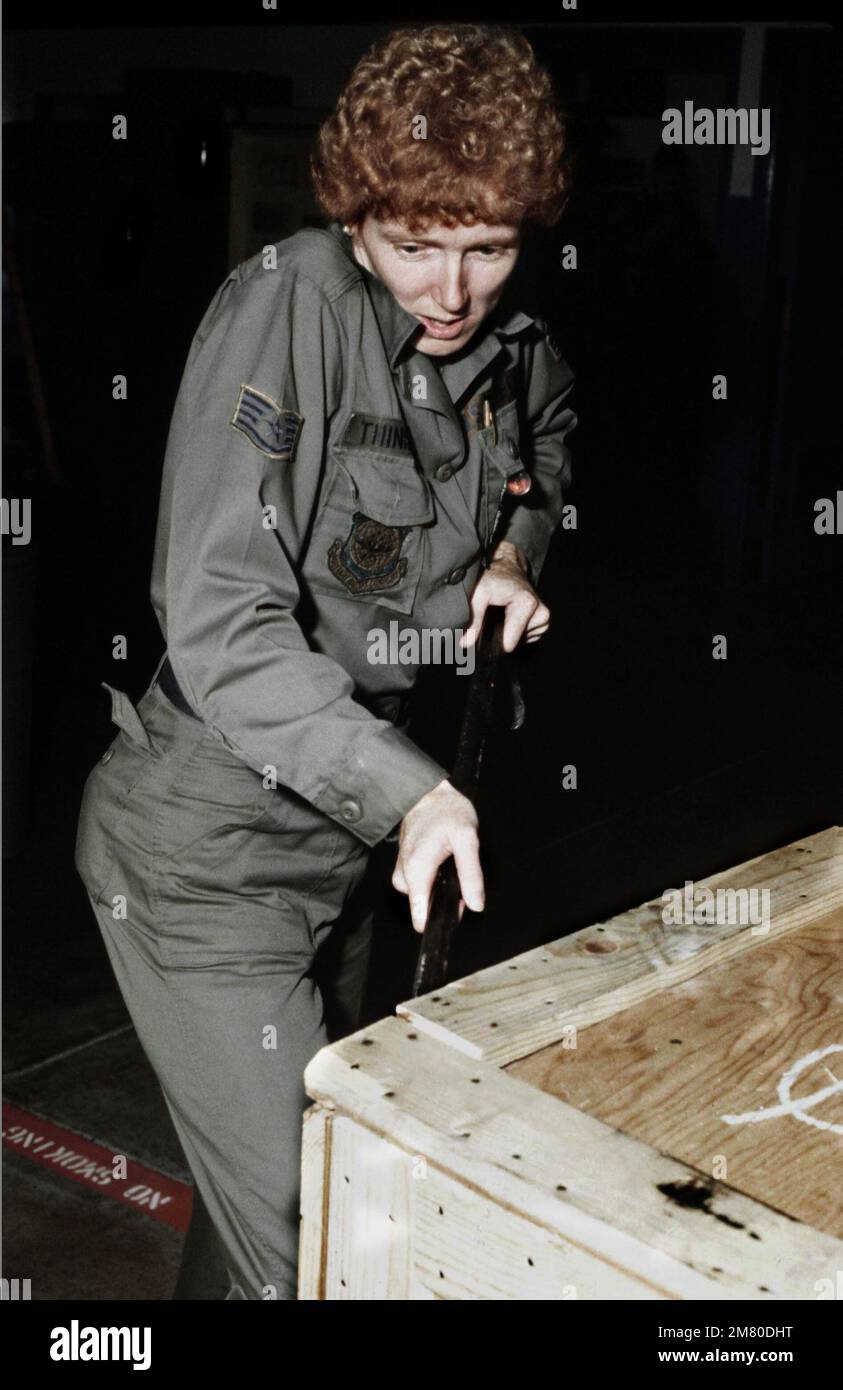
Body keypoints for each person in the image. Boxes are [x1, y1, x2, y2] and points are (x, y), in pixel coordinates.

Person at [73, 21, 577, 1301]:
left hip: (355, 851)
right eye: (416, 248)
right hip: (205, 856)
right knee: (337, 1239)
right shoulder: (287, 305)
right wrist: (412, 790)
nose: (453, 291)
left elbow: (546, 441)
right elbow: (224, 621)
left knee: (279, 1199)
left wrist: (512, 553)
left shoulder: (501, 348)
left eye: (488, 250)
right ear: (357, 219)